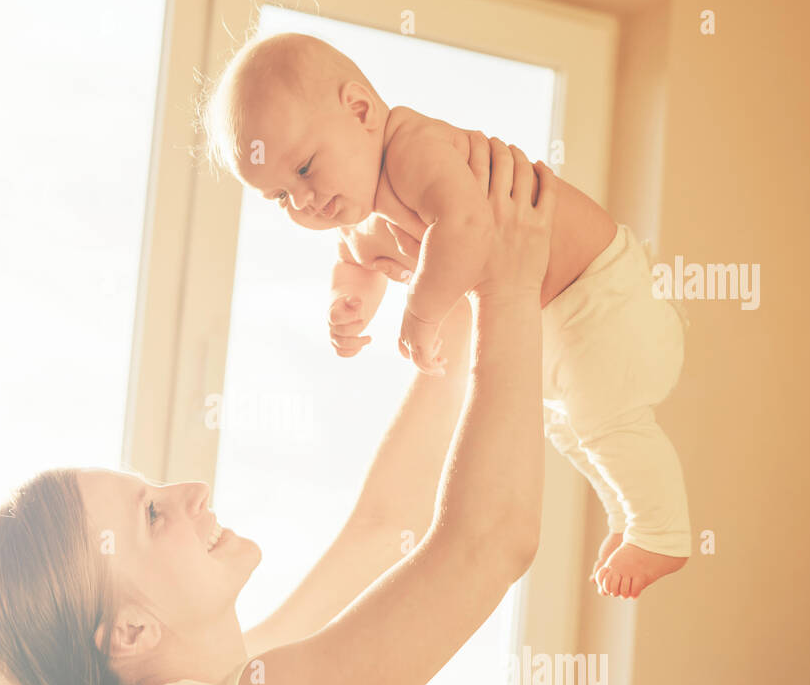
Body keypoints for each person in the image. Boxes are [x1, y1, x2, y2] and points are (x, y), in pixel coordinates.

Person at [0, 137, 552, 685]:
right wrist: (511, 288)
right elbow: (489, 542)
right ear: (131, 632)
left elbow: (383, 529)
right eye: (151, 514)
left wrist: (446, 318)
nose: (192, 491)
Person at [202, 31, 691, 597]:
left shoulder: (413, 149)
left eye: (306, 168)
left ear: (360, 110)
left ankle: (664, 533)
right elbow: (354, 258)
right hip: (557, 327)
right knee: (574, 429)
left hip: (601, 296)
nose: (304, 201)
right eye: (281, 196)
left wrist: (421, 312)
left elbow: (463, 226)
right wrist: (349, 299)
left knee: (604, 417)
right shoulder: (360, 220)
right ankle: (630, 514)